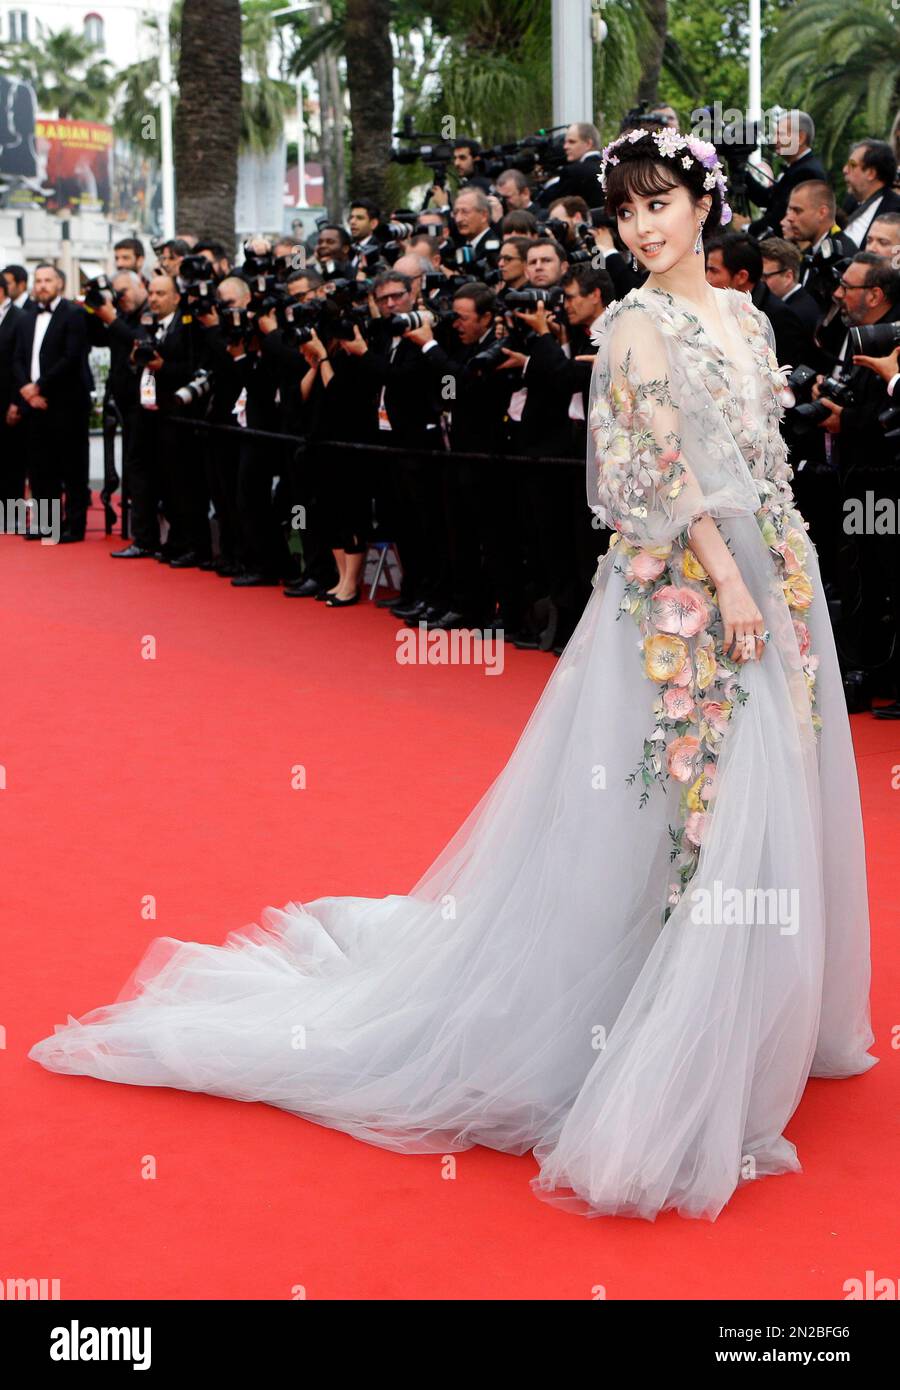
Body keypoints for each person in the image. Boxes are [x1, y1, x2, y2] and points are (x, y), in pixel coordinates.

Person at [28, 129, 877, 1224]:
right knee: (682, 797)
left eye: (660, 202)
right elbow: (652, 474)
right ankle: (652, 1019)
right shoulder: (632, 327)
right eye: (627, 212)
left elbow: (765, 458)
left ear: (704, 202)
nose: (644, 226)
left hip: (775, 573)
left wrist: (783, 572)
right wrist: (733, 586)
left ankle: (755, 1008)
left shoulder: (751, 320)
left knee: (771, 785)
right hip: (682, 592)